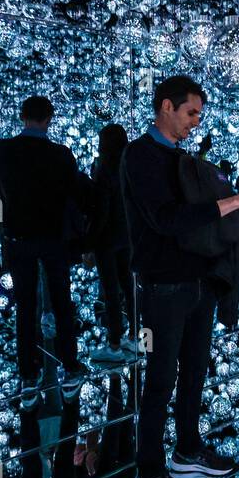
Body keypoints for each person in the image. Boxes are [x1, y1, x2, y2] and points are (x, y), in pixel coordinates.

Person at [121, 75, 239, 478]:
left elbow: (203, 224)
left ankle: (187, 451)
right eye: (191, 114)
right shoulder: (140, 156)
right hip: (163, 286)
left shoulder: (183, 159)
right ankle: (148, 475)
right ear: (166, 106)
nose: (195, 123)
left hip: (198, 282)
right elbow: (167, 220)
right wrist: (235, 202)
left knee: (194, 373)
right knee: (161, 379)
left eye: (199, 116)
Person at [0, 96, 89, 408]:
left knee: (26, 307)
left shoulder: (2, 149)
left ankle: (28, 375)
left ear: (22, 117)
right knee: (61, 302)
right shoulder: (60, 154)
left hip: (18, 239)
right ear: (49, 119)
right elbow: (76, 195)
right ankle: (70, 367)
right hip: (54, 238)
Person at [89, 124, 137, 366]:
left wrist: (91, 238)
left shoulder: (104, 168)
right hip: (126, 235)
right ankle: (134, 336)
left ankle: (115, 344)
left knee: (111, 290)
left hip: (107, 237)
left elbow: (101, 208)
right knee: (129, 287)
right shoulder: (130, 166)